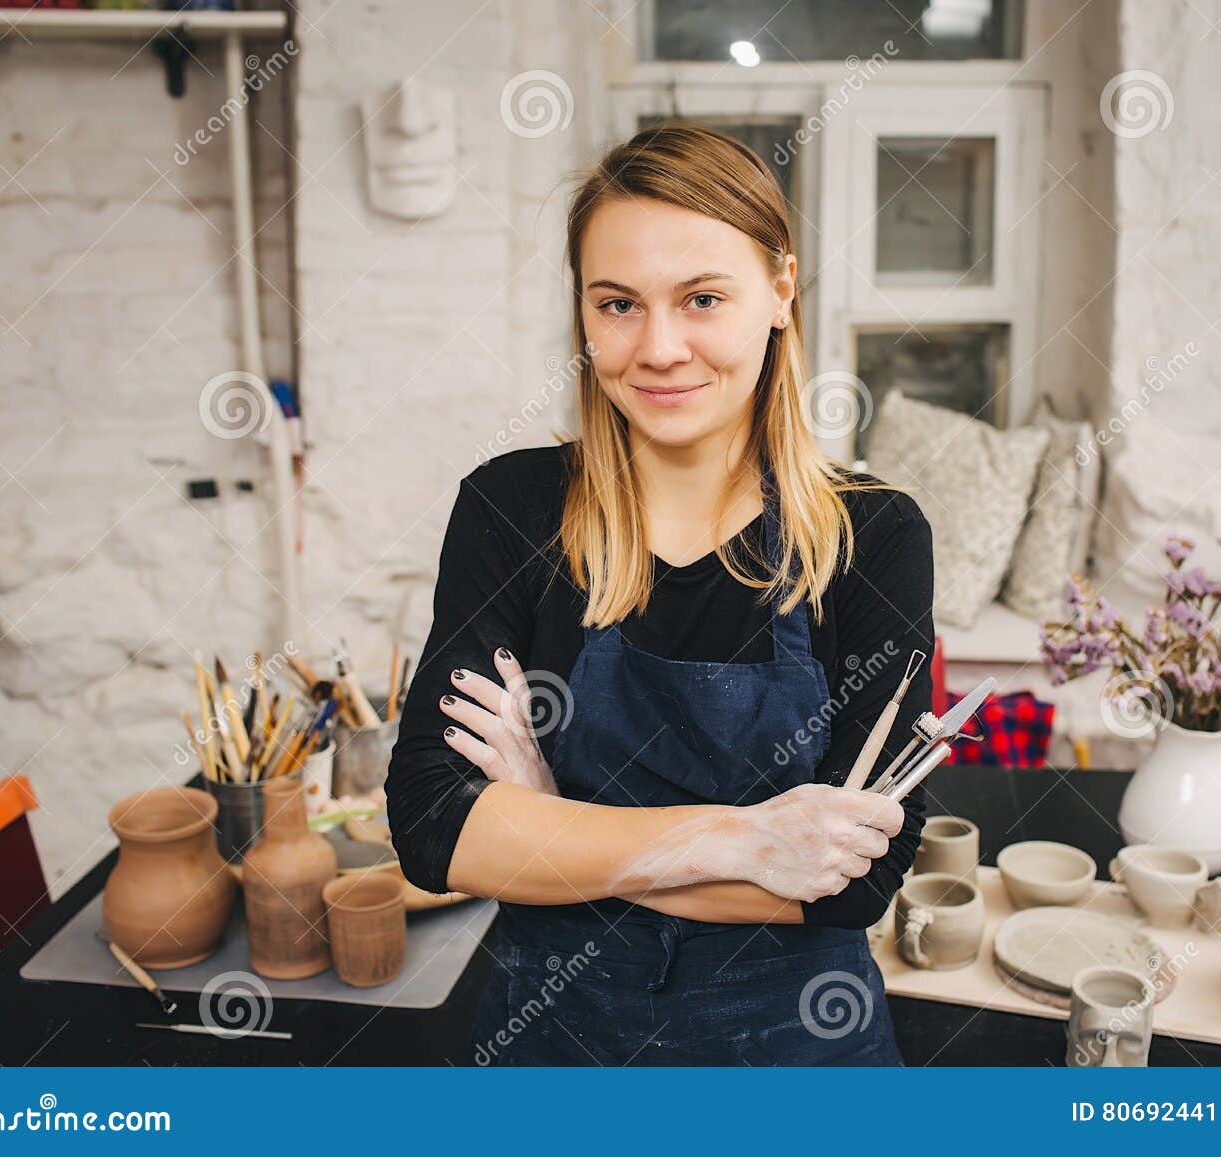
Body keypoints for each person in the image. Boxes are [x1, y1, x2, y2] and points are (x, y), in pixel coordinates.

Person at [385, 123, 936, 1065]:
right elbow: (434, 825)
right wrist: (748, 841)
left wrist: (549, 824)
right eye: (619, 305)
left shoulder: (871, 535)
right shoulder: (513, 509)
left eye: (703, 298)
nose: (661, 347)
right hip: (556, 1045)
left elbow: (853, 880)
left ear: (780, 290)